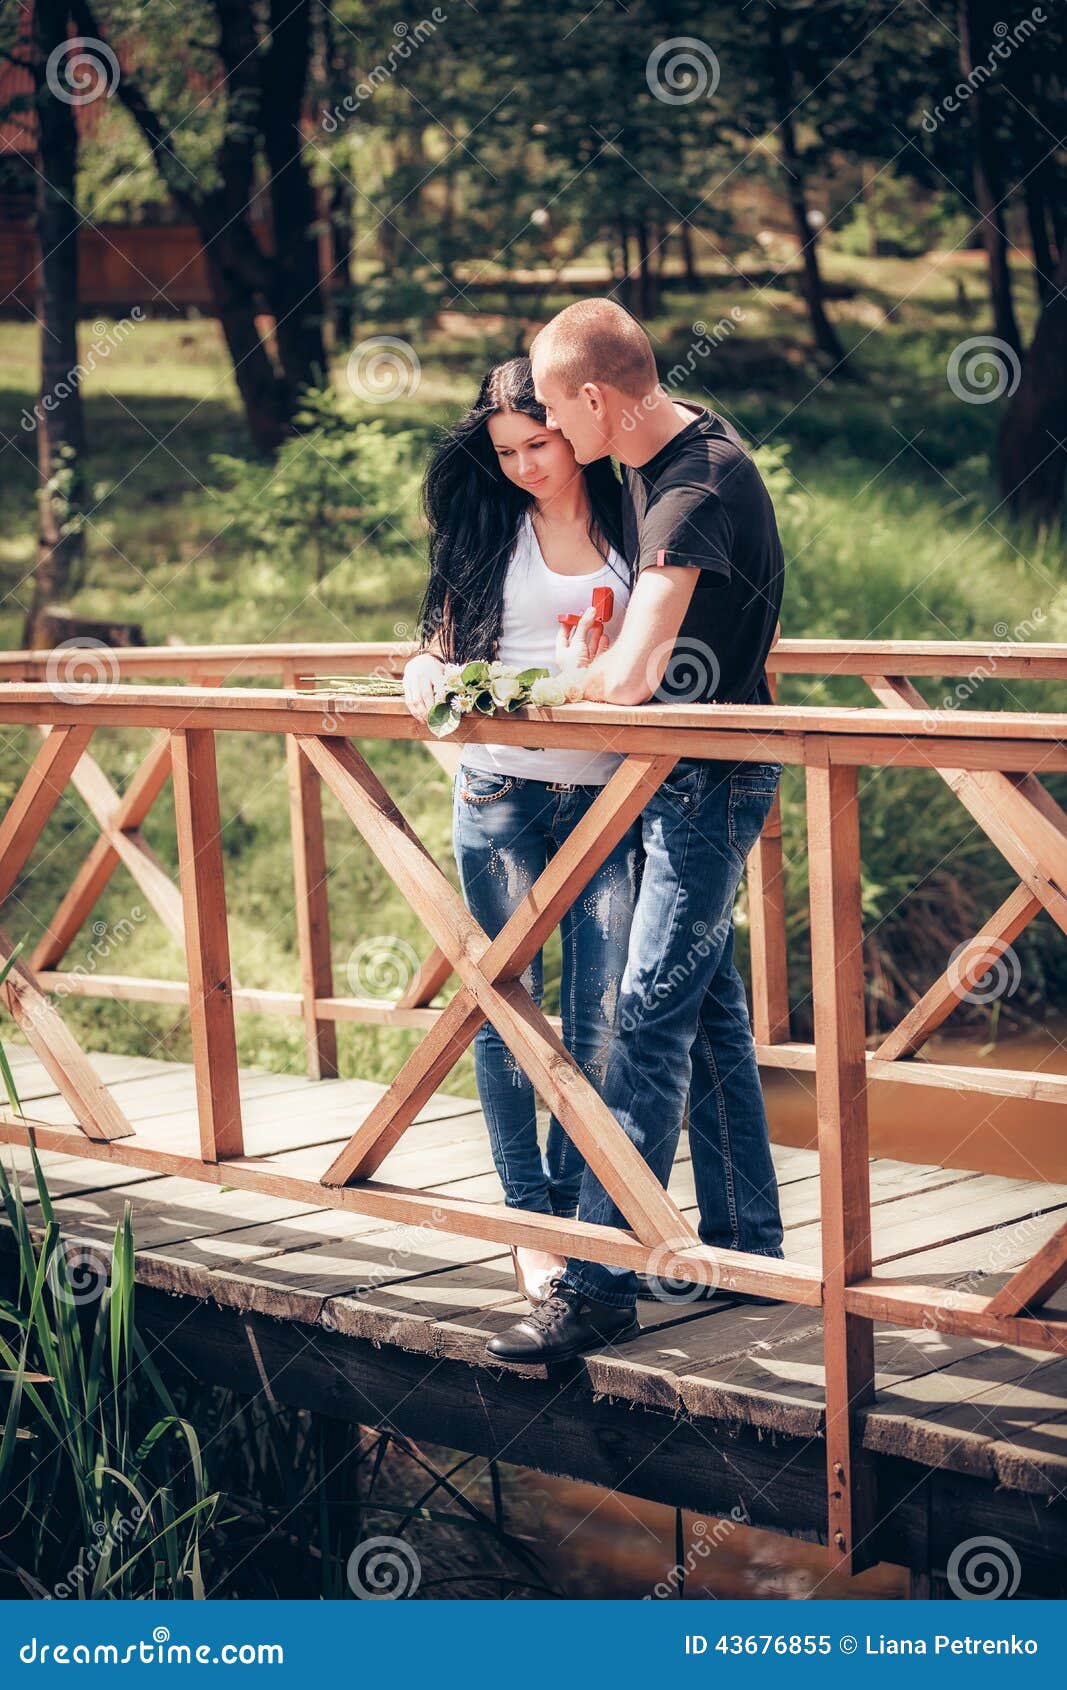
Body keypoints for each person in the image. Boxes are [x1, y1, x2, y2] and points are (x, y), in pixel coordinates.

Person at [486, 299, 786, 1363]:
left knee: (643, 1018)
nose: (554, 441)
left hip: (703, 782)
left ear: (600, 401)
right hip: (685, 771)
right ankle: (749, 1235)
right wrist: (607, 645)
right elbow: (665, 636)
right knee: (702, 1012)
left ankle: (601, 1288)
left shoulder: (694, 484)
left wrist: (541, 685)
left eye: (559, 418)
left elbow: (633, 678)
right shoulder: (661, 448)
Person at [403, 356, 640, 1306]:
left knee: (599, 1019)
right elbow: (442, 645)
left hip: (609, 796)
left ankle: (583, 1219)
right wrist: (423, 672)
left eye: (538, 444)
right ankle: (525, 1221)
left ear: (572, 432)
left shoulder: (634, 518)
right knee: (508, 1013)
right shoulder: (489, 523)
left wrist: (609, 661)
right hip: (500, 792)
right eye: (505, 451)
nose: (525, 466)